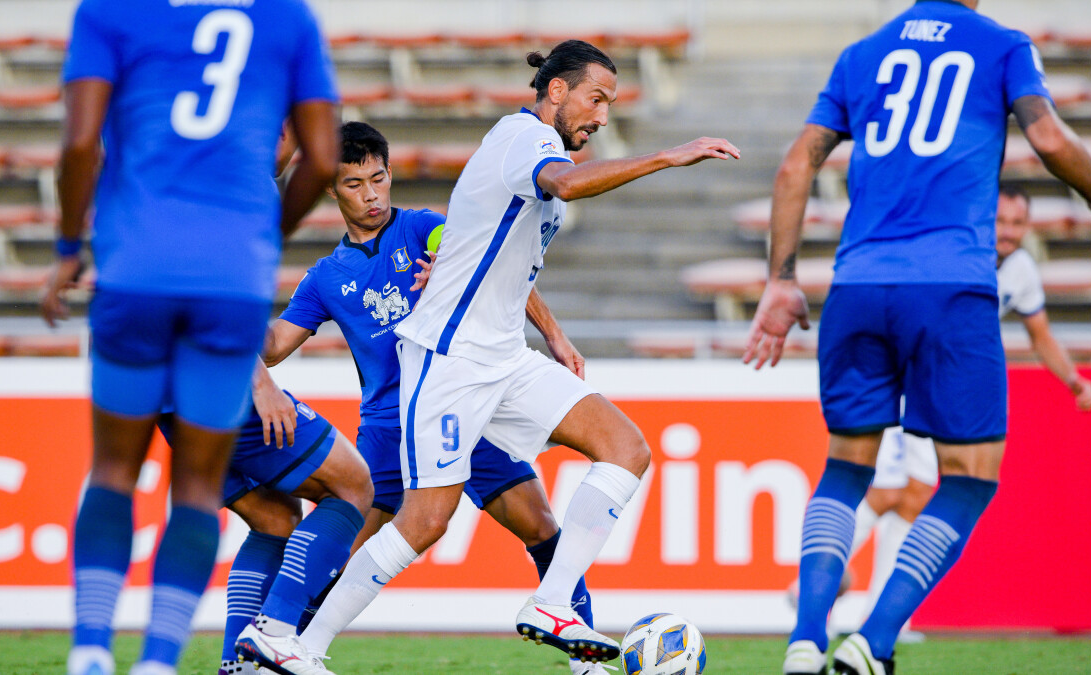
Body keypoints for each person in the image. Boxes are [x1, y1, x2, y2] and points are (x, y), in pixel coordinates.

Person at [243, 40, 739, 675]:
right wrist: (669, 155)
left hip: (503, 356)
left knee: (626, 449)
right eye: (596, 99)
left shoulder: (429, 218)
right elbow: (563, 184)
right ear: (555, 92)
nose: (602, 117)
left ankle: (553, 603)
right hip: (447, 364)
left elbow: (479, 251)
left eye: (610, 104)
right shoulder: (521, 140)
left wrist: (552, 335)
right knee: (420, 524)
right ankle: (294, 643)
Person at [742, 1, 1091, 673]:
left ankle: (805, 640)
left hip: (857, 283)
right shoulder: (1001, 45)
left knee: (845, 467)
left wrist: (782, 279)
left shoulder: (863, 52)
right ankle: (871, 643)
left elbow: (795, 165)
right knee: (970, 478)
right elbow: (1048, 139)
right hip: (950, 285)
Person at [234, 121, 610, 675]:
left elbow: (501, 272)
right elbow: (276, 346)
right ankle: (277, 645)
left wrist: (552, 333)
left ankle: (586, 663)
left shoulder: (425, 230)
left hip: (467, 400)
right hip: (390, 425)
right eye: (355, 185)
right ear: (332, 192)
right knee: (343, 554)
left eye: (379, 179)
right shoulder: (324, 278)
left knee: (542, 528)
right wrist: (226, 329)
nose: (371, 195)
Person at [41, 1, 339, 673]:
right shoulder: (286, 17)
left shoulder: (108, 14)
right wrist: (263, 237)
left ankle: (91, 645)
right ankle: (159, 658)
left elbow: (81, 144)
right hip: (230, 281)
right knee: (198, 489)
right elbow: (321, 156)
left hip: (135, 267)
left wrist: (67, 246)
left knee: (114, 471)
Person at [838, 183, 1091, 640]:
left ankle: (874, 614)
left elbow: (1040, 336)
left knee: (911, 495)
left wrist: (1073, 380)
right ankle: (823, 582)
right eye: (1001, 221)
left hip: (946, 383)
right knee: (899, 491)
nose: (1009, 232)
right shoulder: (951, 251)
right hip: (905, 376)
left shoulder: (1019, 270)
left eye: (1018, 223)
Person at [155, 363, 372, 675]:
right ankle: (274, 630)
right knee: (353, 486)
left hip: (167, 396)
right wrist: (263, 384)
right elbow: (223, 314)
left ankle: (238, 669)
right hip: (220, 378)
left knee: (275, 520)